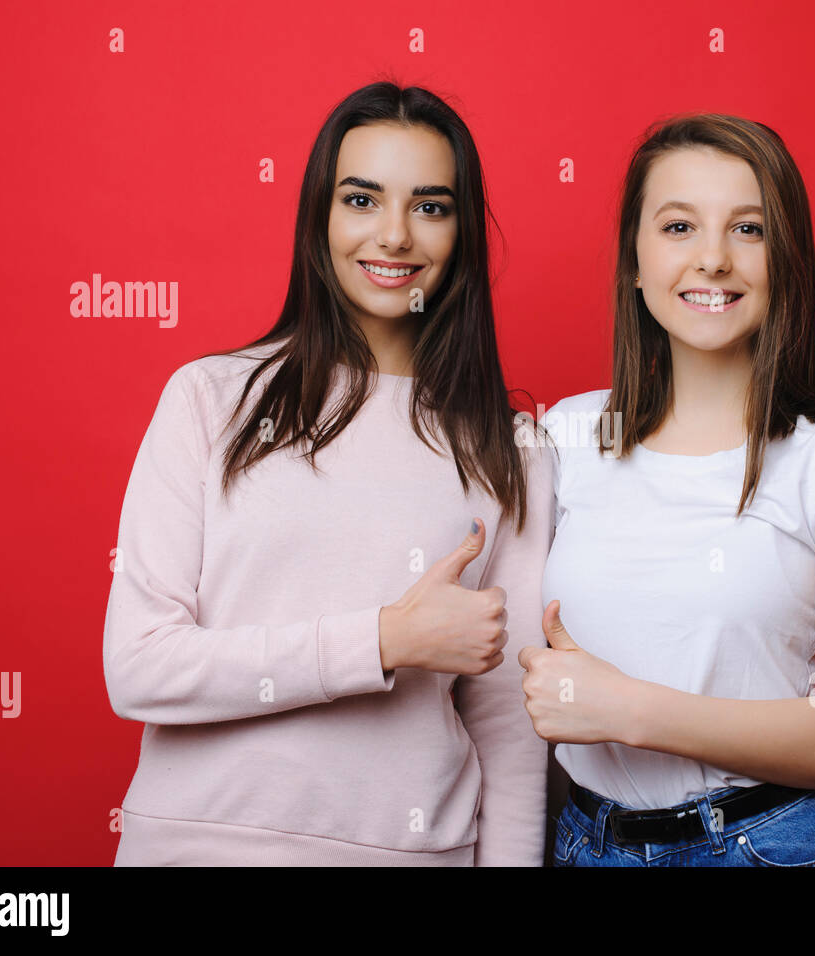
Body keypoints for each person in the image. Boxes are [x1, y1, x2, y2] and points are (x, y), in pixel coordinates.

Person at [103, 81, 552, 866]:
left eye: (432, 206)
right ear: (321, 215)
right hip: (199, 848)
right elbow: (140, 668)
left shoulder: (510, 450)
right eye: (362, 199)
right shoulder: (211, 400)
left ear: (462, 234)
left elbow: (508, 731)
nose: (395, 235)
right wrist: (383, 640)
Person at [521, 113, 815, 866]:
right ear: (634, 264)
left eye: (749, 230)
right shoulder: (566, 437)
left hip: (768, 845)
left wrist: (630, 710)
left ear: (787, 259)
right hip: (587, 843)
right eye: (678, 227)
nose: (712, 259)